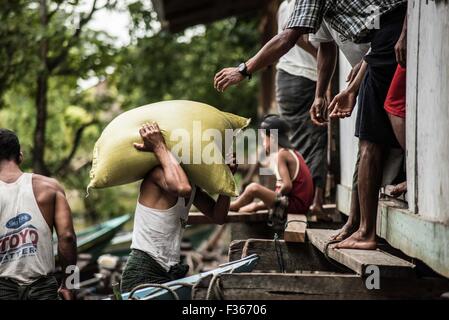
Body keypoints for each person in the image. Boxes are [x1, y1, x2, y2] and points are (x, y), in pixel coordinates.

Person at [214, 0, 407, 250]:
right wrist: (321, 93)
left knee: (369, 142)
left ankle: (365, 231)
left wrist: (244, 69)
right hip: (374, 55)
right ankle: (354, 225)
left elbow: (288, 38)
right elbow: (327, 48)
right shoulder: (322, 15)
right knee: (367, 143)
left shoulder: (281, 154)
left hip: (385, 42)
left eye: (265, 137)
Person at [120, 122, 236, 293]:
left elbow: (218, 217)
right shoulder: (158, 174)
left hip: (168, 272)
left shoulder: (190, 185)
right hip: (143, 271)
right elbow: (182, 189)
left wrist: (228, 178)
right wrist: (159, 146)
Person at [0, 129, 77, 300]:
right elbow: (68, 238)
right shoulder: (50, 187)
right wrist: (70, 285)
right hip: (43, 289)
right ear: (20, 156)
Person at [275, 0, 327, 218]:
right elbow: (299, 37)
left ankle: (302, 199)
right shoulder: (301, 3)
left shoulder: (284, 4)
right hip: (303, 77)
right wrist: (321, 56)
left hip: (286, 77)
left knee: (298, 141)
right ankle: (315, 203)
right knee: (315, 138)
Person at [230, 115, 314, 216]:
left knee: (253, 188)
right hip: (301, 206)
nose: (263, 144)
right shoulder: (294, 153)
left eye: (263, 139)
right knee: (250, 205)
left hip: (294, 206)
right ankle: (241, 206)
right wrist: (257, 206)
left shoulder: (281, 155)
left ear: (273, 138)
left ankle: (233, 206)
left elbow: (287, 186)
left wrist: (273, 199)